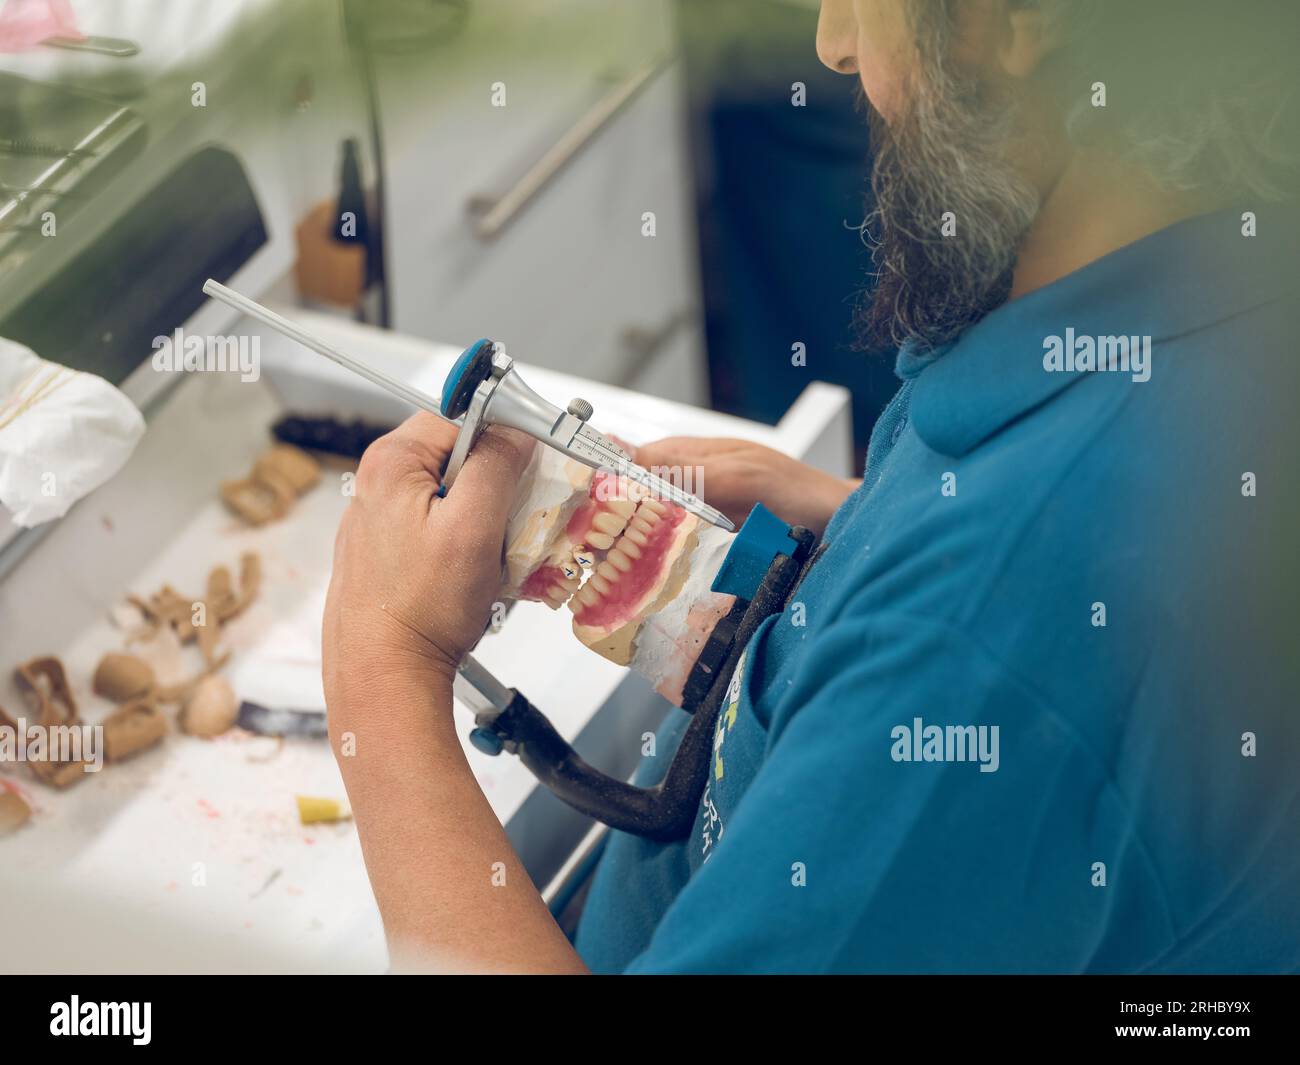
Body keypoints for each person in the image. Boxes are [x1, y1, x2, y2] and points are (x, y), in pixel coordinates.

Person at [322, 0, 1300, 973]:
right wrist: (866, 534)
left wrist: (383, 666)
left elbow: (1010, 644)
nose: (833, 43)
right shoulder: (1166, 301)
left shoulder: (974, 646)